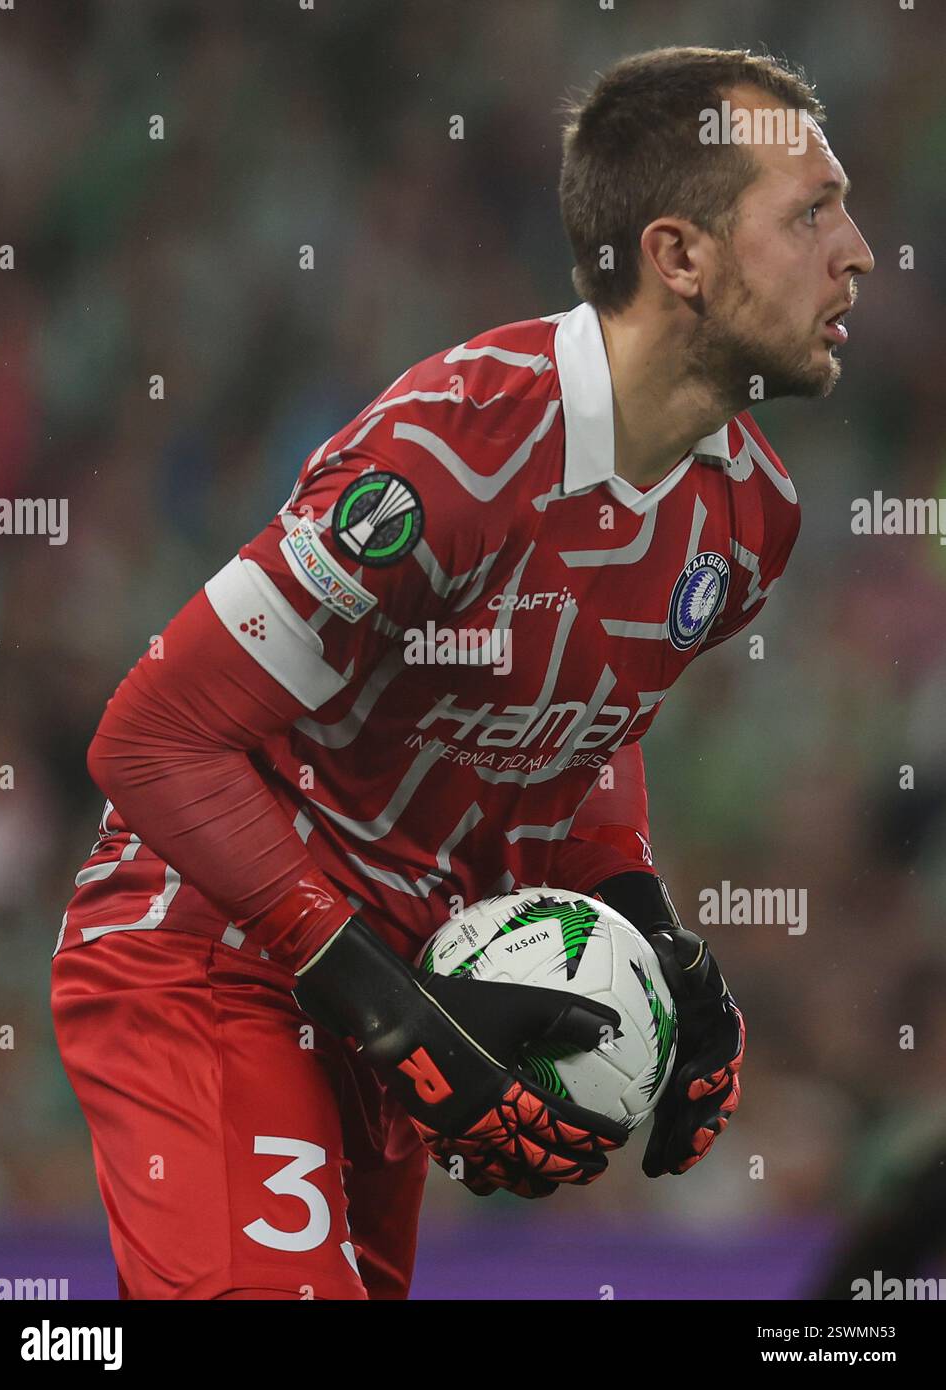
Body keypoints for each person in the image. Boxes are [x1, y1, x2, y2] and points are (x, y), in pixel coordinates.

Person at [51, 46, 874, 1300]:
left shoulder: (752, 514)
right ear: (681, 257)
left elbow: (583, 729)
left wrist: (639, 917)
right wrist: (381, 1006)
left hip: (394, 1004)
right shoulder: (453, 455)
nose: (860, 249)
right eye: (811, 211)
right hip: (215, 954)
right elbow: (154, 740)